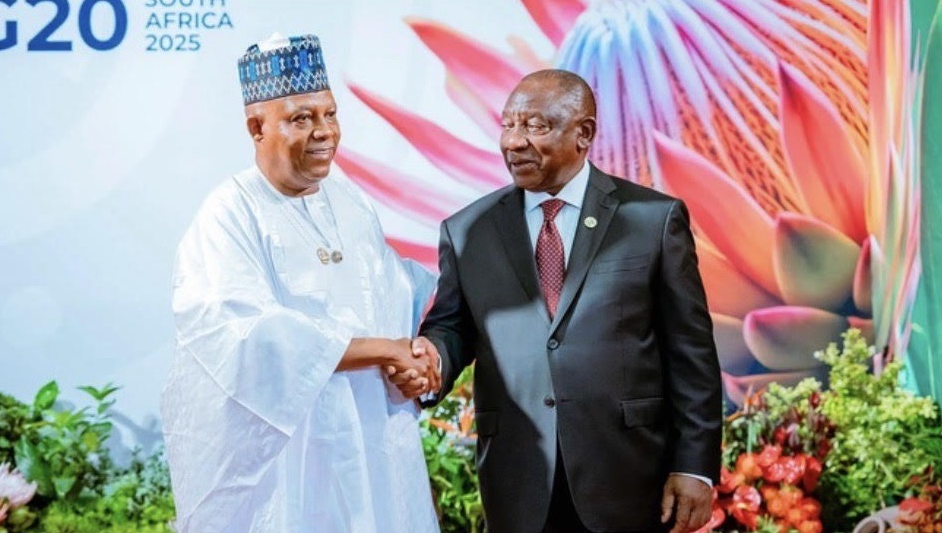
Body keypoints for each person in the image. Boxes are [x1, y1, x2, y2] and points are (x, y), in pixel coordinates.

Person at [414, 69, 722, 532]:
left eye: (535, 126)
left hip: (628, 474)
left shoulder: (652, 221)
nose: (513, 141)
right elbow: (453, 327)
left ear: (584, 133)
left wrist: (694, 466)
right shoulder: (467, 231)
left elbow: (690, 352)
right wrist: (431, 359)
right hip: (518, 477)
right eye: (508, 125)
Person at [161, 33, 441, 532]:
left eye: (330, 114)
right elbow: (244, 336)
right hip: (289, 456)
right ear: (256, 127)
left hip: (371, 437)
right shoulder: (230, 213)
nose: (324, 132)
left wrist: (417, 358)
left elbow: (395, 294)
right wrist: (385, 349)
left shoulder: (351, 202)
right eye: (302, 119)